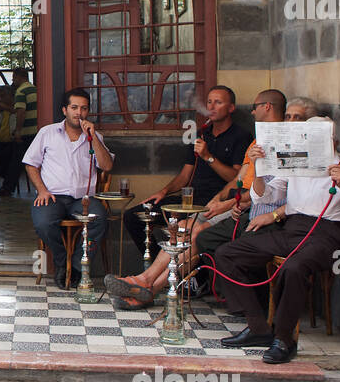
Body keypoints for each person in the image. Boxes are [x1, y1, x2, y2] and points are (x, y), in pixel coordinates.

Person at [105, 89, 290, 308]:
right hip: (226, 202)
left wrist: (222, 197)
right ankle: (149, 283)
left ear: (266, 107)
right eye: (208, 102)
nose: (251, 111)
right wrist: (217, 199)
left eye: (255, 106)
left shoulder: (263, 140)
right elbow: (239, 181)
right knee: (182, 227)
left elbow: (260, 192)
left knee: (195, 232)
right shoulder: (250, 141)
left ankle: (148, 284)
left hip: (249, 209)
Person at [213, 117, 340, 364]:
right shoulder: (296, 162)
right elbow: (265, 197)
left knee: (294, 267)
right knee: (227, 253)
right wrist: (258, 168)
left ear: (333, 140)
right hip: (292, 229)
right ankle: (258, 327)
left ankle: (284, 338)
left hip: (327, 235)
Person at [123, 85, 252, 265]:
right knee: (134, 216)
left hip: (212, 203)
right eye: (209, 102)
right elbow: (185, 175)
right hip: (188, 200)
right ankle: (162, 265)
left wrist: (208, 157)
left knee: (184, 229)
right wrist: (164, 192)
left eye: (218, 102)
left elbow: (236, 178)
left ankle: (173, 269)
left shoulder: (241, 136)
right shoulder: (200, 135)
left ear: (231, 108)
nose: (211, 107)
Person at [23, 88, 115, 289]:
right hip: (52, 196)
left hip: (84, 200)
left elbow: (107, 166)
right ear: (64, 110)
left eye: (83, 108)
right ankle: (61, 259)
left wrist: (94, 138)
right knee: (44, 223)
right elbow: (31, 163)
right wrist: (42, 190)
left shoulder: (95, 136)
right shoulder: (47, 133)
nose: (79, 113)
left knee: (100, 221)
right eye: (74, 107)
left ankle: (75, 267)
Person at [0, 68, 39, 195]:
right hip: (36, 130)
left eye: (13, 77)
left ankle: (7, 188)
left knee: (16, 160)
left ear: (18, 77)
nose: (12, 80)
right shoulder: (35, 89)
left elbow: (20, 112)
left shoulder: (21, 92)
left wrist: (18, 131)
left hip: (26, 131)